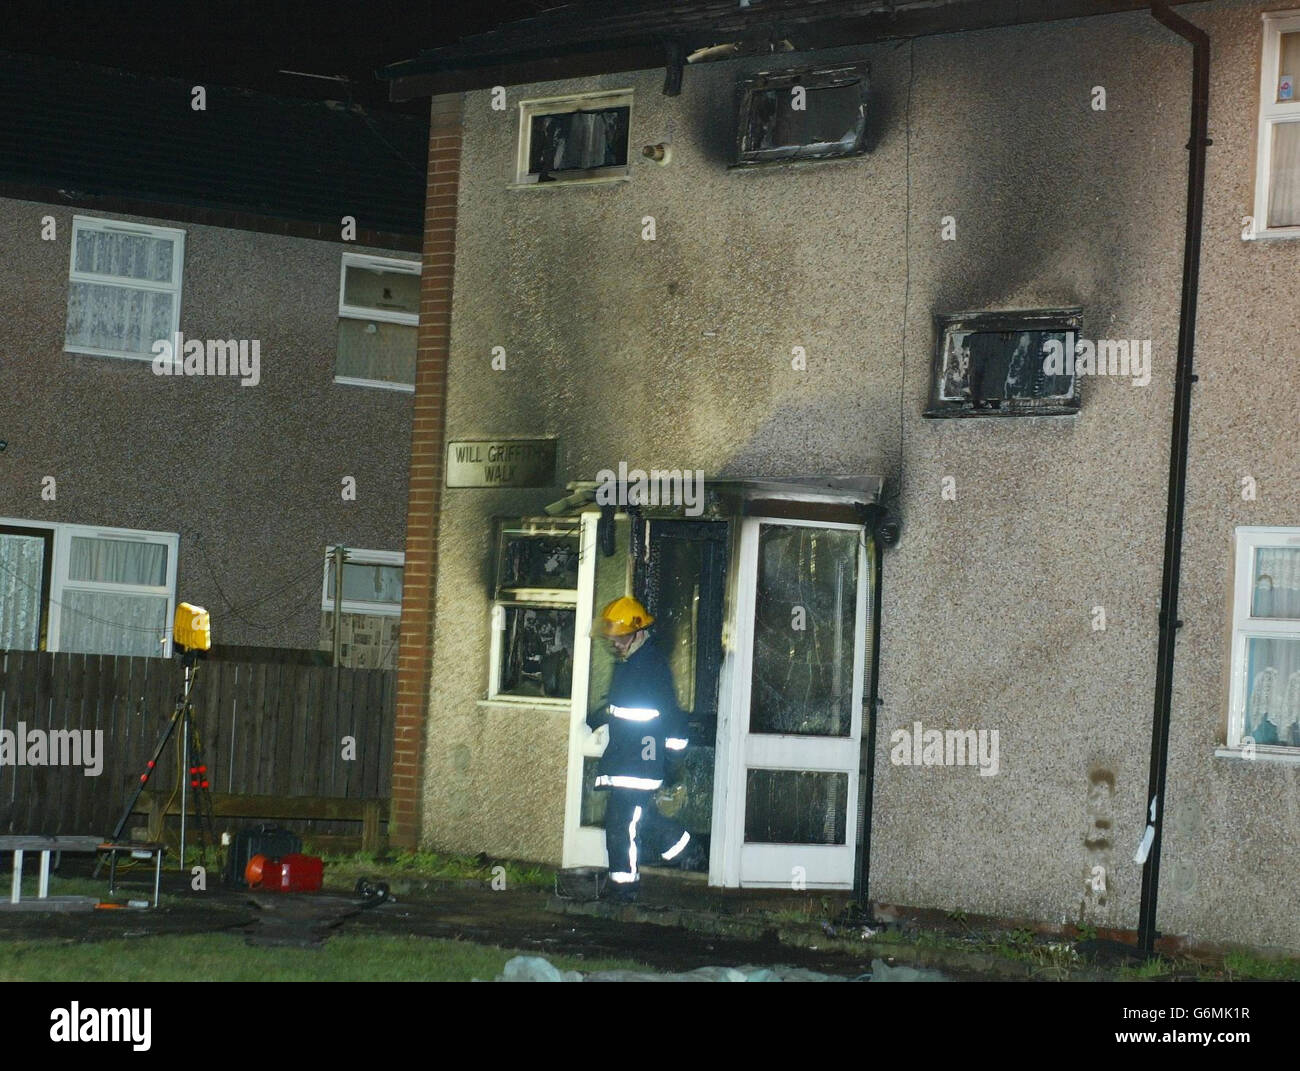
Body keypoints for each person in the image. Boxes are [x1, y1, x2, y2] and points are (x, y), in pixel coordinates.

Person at [587, 595, 695, 903]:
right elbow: (626, 709)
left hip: (640, 764)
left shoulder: (650, 665)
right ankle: (686, 849)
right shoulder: (632, 663)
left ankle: (624, 887)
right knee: (637, 819)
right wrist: (599, 717)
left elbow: (670, 717)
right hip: (627, 761)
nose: (616, 644)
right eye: (613, 639)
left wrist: (673, 759)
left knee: (622, 824)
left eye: (620, 638)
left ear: (637, 632)